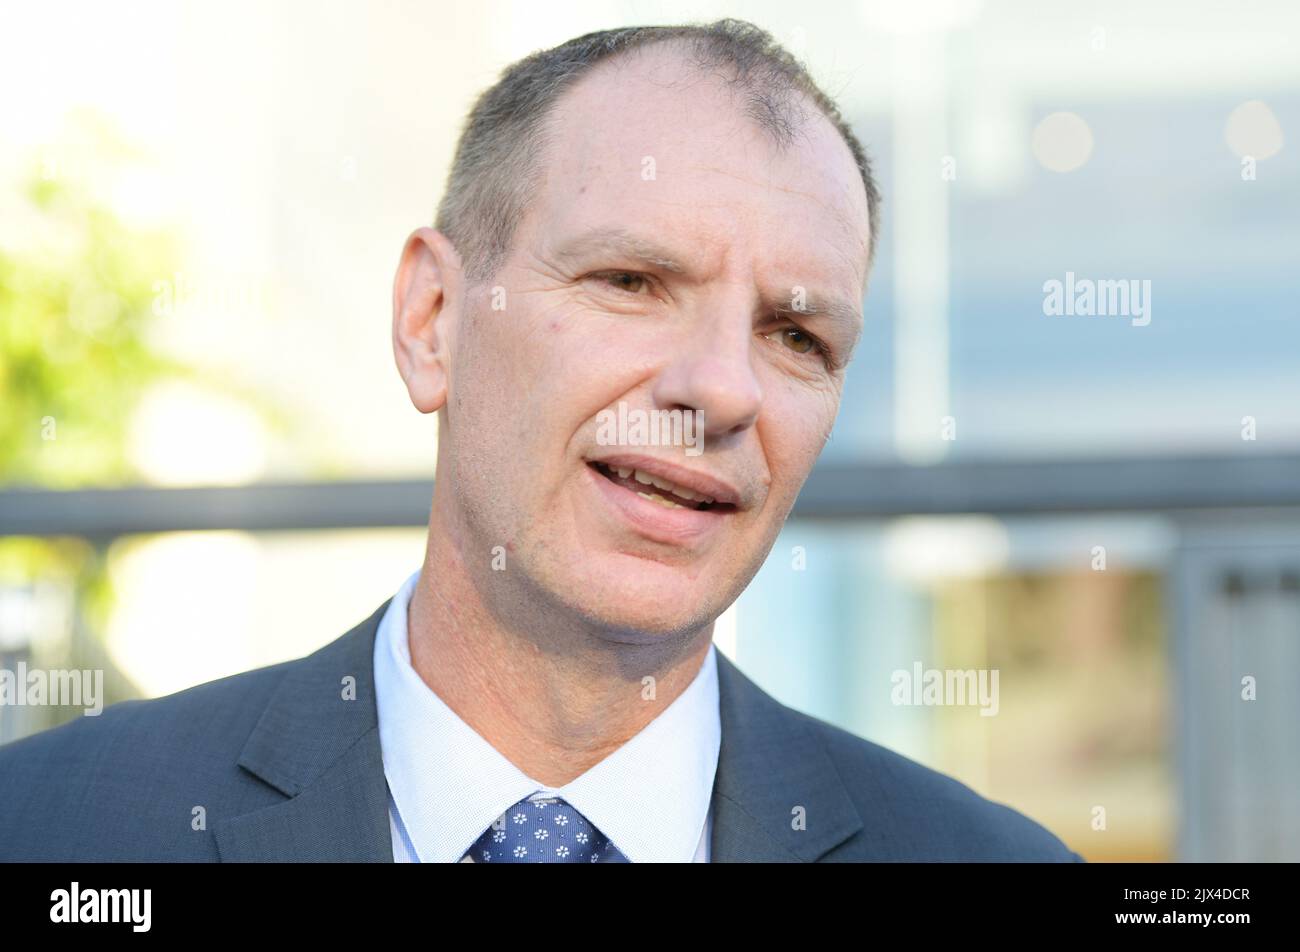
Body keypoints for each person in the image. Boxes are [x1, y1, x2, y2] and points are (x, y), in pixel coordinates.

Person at [0, 19, 1081, 863]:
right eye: (630, 282)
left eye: (795, 334)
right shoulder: (56, 831)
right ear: (433, 320)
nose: (719, 385)